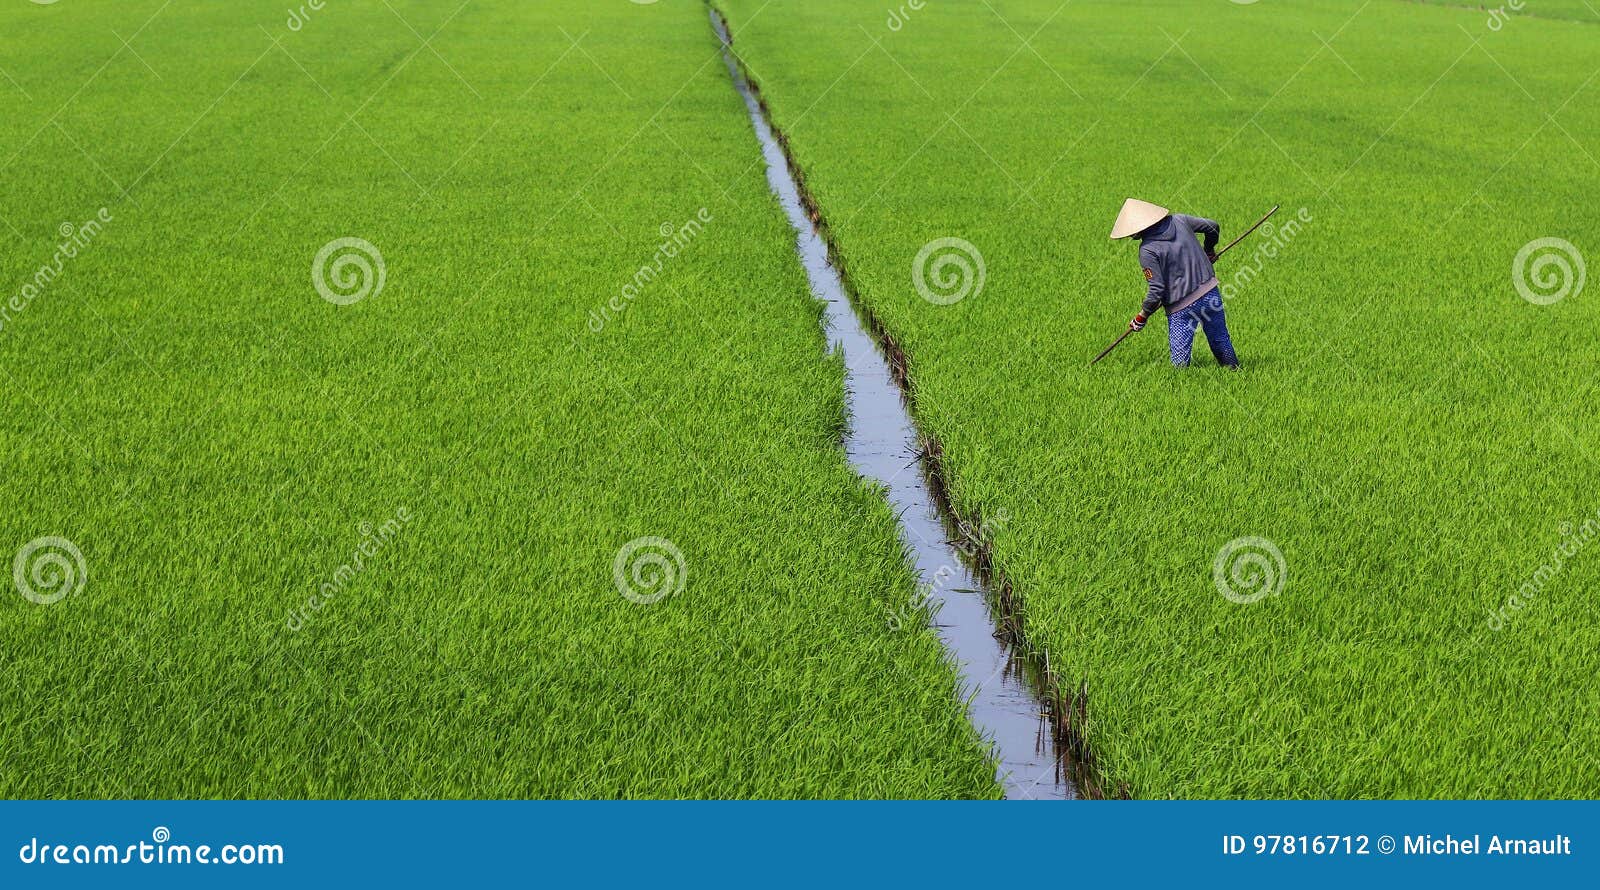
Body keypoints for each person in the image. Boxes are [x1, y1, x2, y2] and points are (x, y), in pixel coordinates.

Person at [1109, 198, 1239, 369]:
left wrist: (1142, 316)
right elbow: (1212, 226)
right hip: (1210, 295)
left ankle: (1180, 385)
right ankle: (1233, 370)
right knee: (1220, 337)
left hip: (1181, 308)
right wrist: (1209, 250)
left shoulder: (1147, 250)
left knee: (1179, 361)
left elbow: (1157, 289)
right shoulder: (1180, 220)